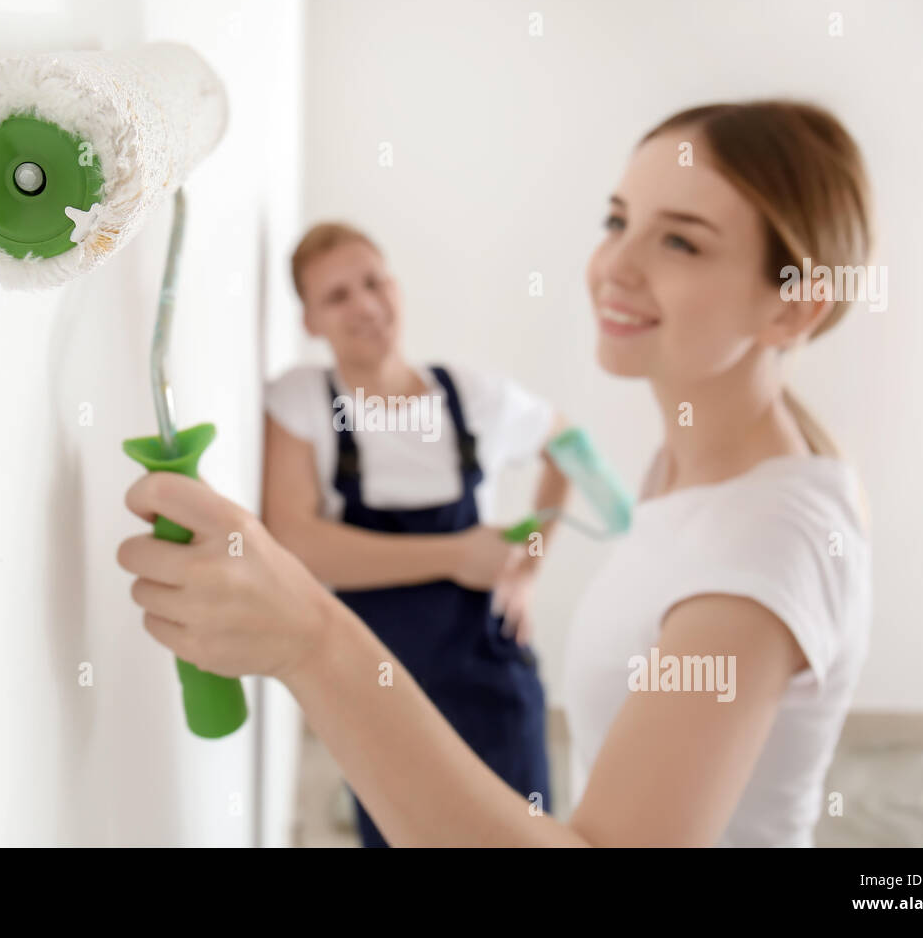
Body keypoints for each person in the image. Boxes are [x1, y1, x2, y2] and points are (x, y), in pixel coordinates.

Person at [117, 99, 875, 846]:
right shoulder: (684, 472)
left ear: (793, 310)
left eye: (680, 242)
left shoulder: (760, 547)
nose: (615, 265)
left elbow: (564, 446)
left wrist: (316, 643)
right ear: (309, 320)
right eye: (617, 222)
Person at [260, 222, 569, 846]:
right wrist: (460, 554)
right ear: (310, 322)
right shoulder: (302, 401)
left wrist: (528, 567)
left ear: (396, 287)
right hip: (377, 687)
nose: (366, 306)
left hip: (489, 673)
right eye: (337, 296)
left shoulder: (472, 397)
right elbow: (296, 539)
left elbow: (569, 448)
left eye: (373, 282)